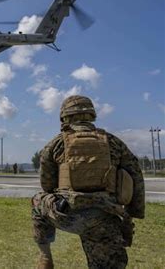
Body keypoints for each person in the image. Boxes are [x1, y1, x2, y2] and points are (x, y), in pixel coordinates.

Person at [31, 95, 145, 269]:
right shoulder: (114, 143)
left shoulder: (56, 144)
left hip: (66, 214)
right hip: (104, 216)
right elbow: (136, 176)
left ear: (65, 117)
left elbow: (46, 185)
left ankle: (45, 255)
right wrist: (133, 212)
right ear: (92, 115)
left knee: (38, 199)